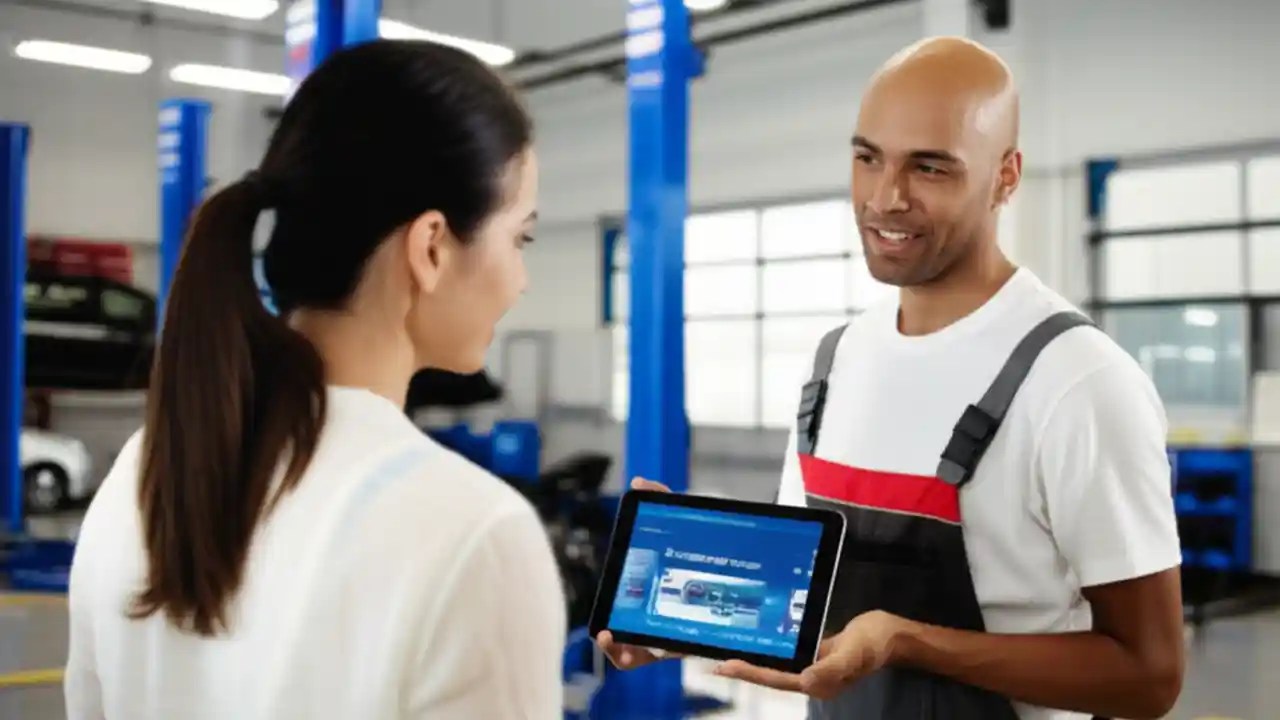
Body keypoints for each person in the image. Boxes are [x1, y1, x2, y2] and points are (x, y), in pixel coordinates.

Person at [598, 36, 1185, 720]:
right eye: (867, 157)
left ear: (1006, 176)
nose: (885, 198)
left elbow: (1149, 676)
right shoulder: (836, 359)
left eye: (930, 168)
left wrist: (910, 643)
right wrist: (691, 607)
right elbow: (809, 615)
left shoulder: (1077, 381)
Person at [64, 40, 565, 720]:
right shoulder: (477, 534)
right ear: (431, 247)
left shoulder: (143, 469)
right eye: (520, 239)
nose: (521, 279)